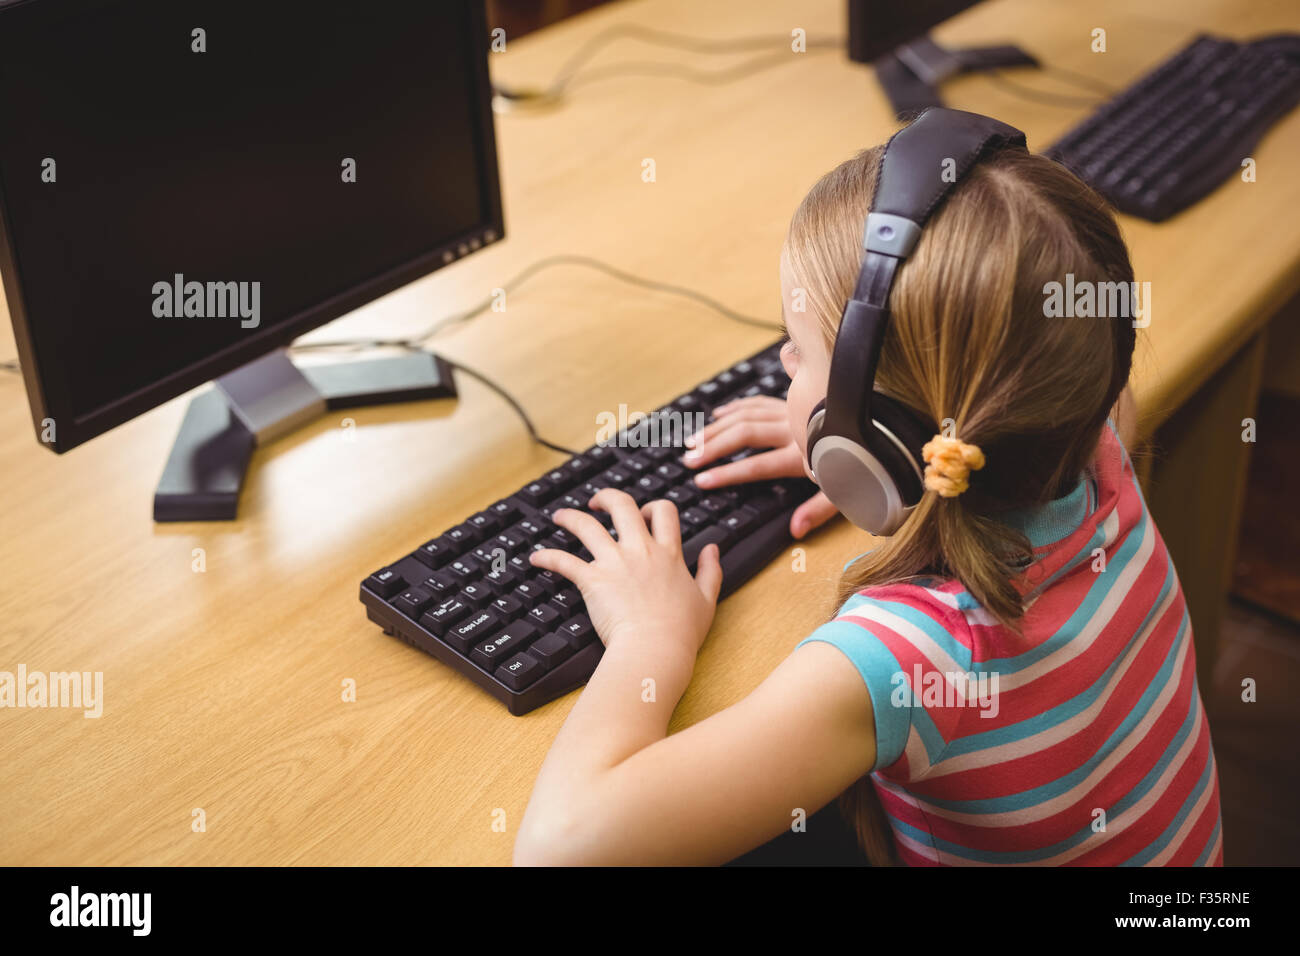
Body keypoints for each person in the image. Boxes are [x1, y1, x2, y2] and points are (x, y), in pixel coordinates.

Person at [513, 116, 1222, 866]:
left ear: (872, 426)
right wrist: (877, 438)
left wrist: (649, 637)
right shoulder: (1094, 443)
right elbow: (1051, 359)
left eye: (799, 348)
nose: (782, 356)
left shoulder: (916, 654)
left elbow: (561, 850)